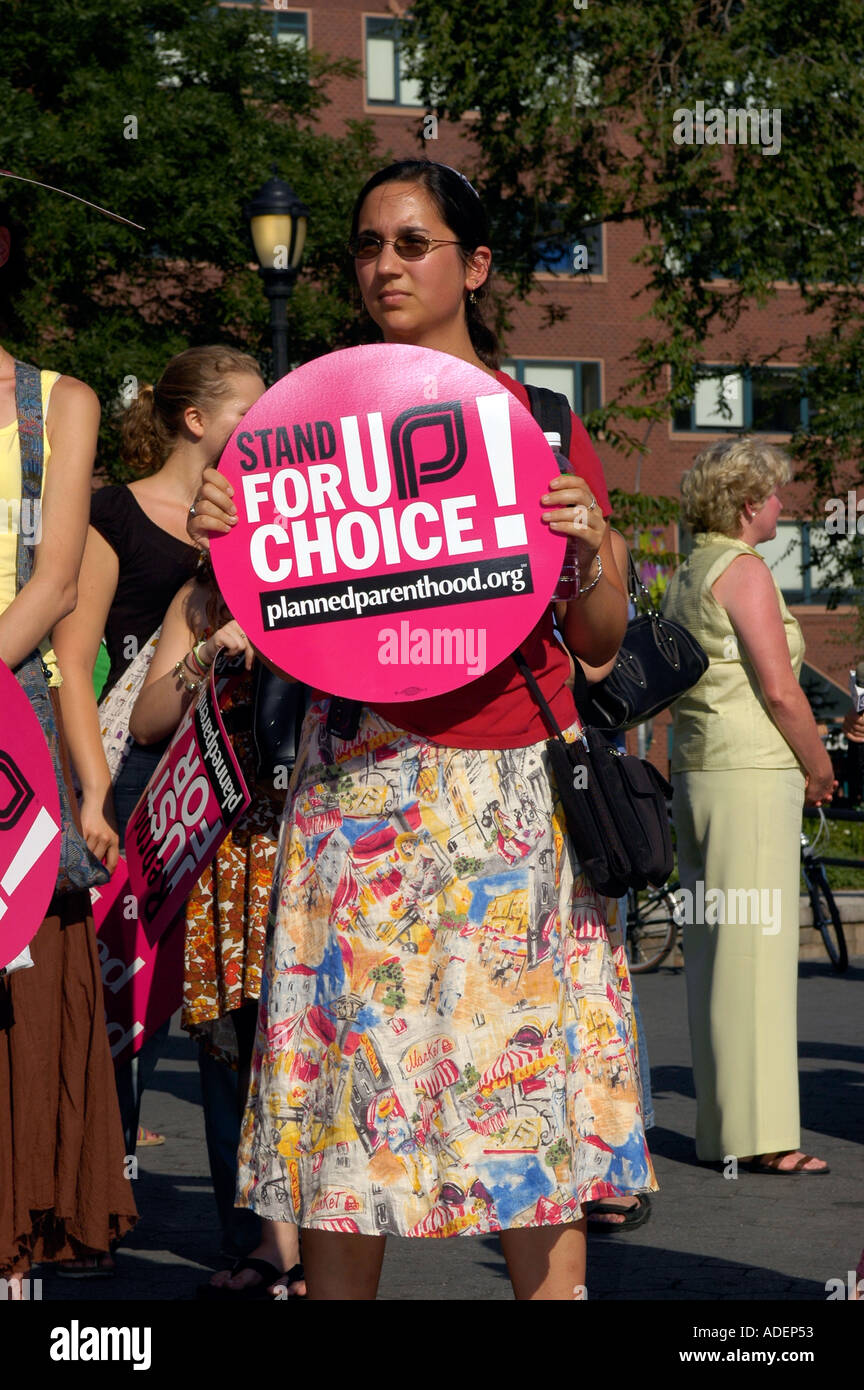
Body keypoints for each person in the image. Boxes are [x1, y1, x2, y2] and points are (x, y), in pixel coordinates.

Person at [189, 160, 656, 1301]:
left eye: (412, 242)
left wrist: (591, 545)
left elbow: (600, 640)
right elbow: (240, 619)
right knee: (352, 1122)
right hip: (356, 793)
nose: (384, 265)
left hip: (507, 796)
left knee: (530, 1123)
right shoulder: (308, 433)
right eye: (365, 246)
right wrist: (221, 546)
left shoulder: (540, 424)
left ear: (475, 264)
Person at [53, 346, 264, 1165]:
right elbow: (74, 659)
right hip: (145, 773)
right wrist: (95, 790)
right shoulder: (115, 513)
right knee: (122, 996)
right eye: (249, 410)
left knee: (221, 1001)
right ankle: (102, 1186)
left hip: (236, 776)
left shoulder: (265, 517)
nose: (265, 424)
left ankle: (245, 1230)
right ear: (196, 420)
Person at [0, 205, 137, 1293]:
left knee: (26, 1006)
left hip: (14, 732)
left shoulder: (60, 403)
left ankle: (16, 1267)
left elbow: (52, 584)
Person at [127, 564, 305, 1297]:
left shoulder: (327, 579)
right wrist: (209, 653)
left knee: (303, 1041)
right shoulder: (198, 599)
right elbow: (145, 723)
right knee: (230, 1044)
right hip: (227, 848)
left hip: (305, 839)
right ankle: (256, 1241)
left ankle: (309, 1240)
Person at [662, 437, 835, 1172]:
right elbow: (779, 688)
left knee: (715, 957)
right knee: (759, 962)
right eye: (772, 494)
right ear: (745, 504)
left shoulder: (687, 570)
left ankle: (724, 1129)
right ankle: (764, 1139)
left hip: (700, 772)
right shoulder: (743, 569)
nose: (781, 505)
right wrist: (820, 766)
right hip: (754, 774)